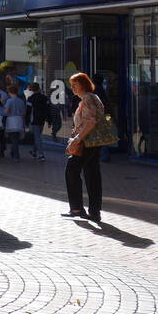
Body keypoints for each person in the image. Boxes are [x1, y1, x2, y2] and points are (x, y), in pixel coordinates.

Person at [62, 72, 106, 224]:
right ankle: (94, 212)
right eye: (71, 84)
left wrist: (77, 138)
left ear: (84, 84)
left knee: (72, 168)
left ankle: (77, 208)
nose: (72, 87)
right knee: (92, 174)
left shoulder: (87, 99)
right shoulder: (93, 98)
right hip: (94, 141)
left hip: (87, 141)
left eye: (75, 84)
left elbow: (91, 122)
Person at [3, 84, 28, 161]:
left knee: (13, 139)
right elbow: (24, 113)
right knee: (16, 139)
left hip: (11, 121)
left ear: (10, 92)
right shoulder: (21, 101)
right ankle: (13, 152)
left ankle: (16, 155)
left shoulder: (9, 101)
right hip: (19, 121)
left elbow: (6, 111)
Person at [26, 81, 49, 159]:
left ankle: (41, 154)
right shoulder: (44, 98)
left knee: (37, 137)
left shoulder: (30, 99)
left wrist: (26, 121)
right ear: (39, 88)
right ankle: (33, 150)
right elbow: (47, 109)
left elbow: (28, 111)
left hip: (34, 119)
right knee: (38, 135)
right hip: (42, 119)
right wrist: (49, 120)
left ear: (32, 89)